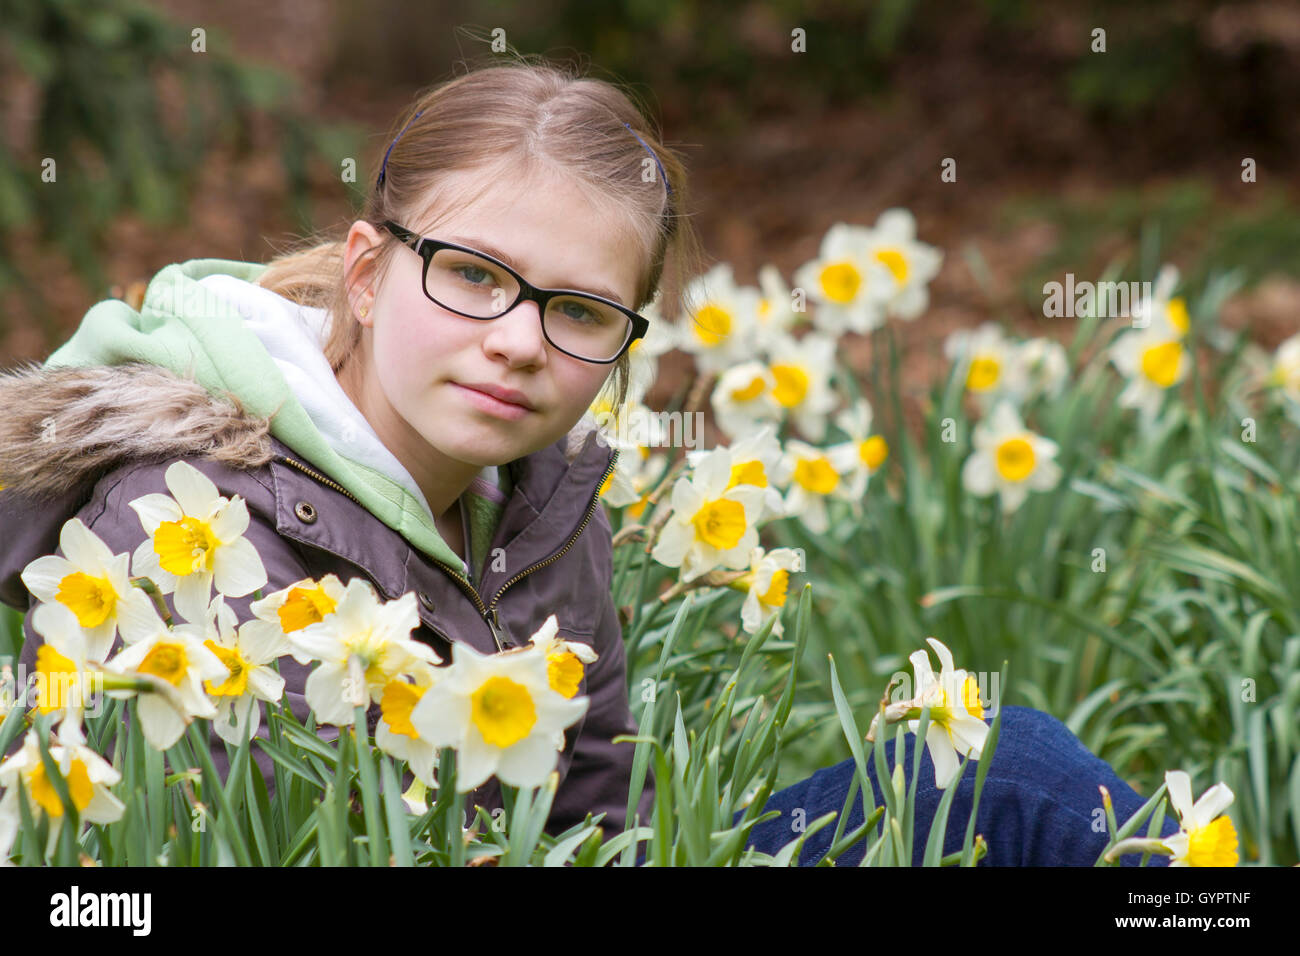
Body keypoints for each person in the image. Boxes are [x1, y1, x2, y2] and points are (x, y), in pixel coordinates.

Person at [0, 58, 1176, 866]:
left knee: (1011, 774)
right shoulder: (173, 521)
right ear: (366, 272)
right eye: (472, 274)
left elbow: (605, 816)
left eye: (579, 308)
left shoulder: (543, 497)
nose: (518, 339)